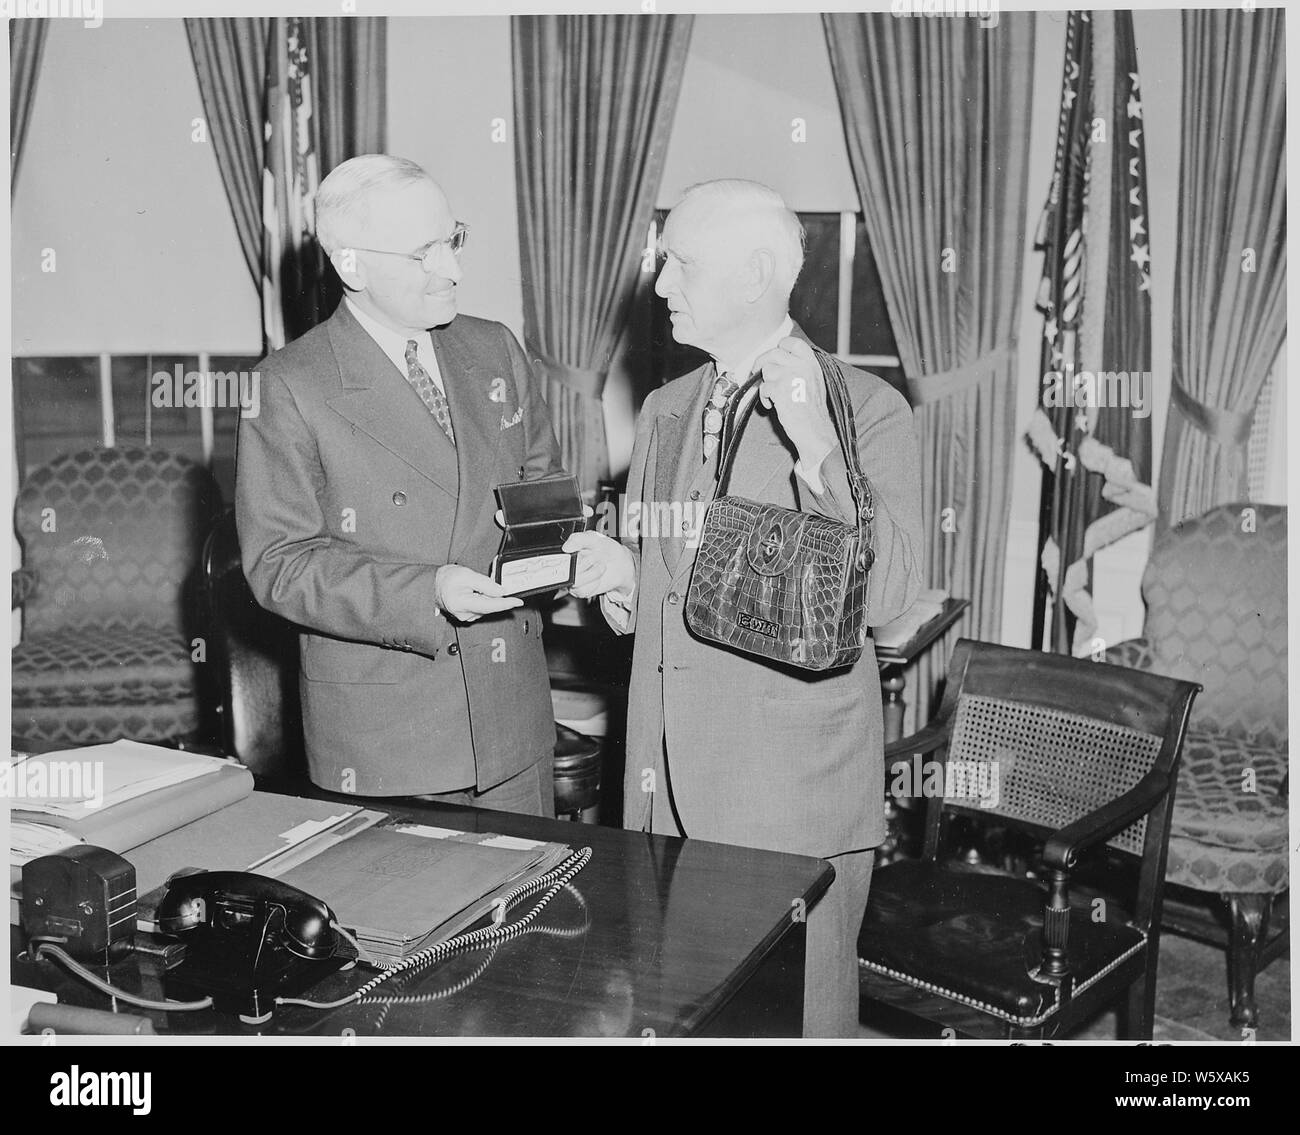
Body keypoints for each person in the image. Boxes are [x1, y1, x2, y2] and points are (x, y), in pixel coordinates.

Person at [565, 179, 923, 1036]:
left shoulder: (865, 408)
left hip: (788, 799)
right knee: (679, 1016)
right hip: (658, 788)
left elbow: (890, 593)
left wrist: (817, 449)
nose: (658, 285)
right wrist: (628, 576)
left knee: (792, 1026)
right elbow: (682, 580)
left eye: (680, 263)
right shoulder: (663, 410)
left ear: (757, 272)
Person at [236, 154, 562, 815]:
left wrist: (563, 552)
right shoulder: (290, 386)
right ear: (352, 265)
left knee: (528, 914)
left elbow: (543, 477)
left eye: (453, 239)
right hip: (392, 742)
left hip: (514, 723)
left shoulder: (495, 348)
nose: (454, 270)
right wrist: (431, 591)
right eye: (424, 253)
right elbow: (281, 563)